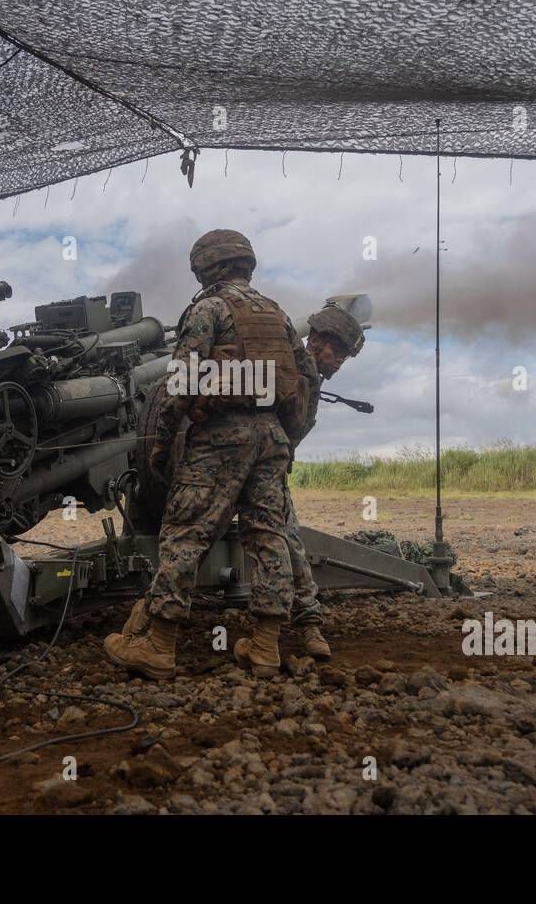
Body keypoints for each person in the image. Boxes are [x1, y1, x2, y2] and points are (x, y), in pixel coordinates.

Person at [104, 229, 307, 680]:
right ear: (246, 265)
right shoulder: (278, 314)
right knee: (268, 535)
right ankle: (266, 649)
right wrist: (283, 436)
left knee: (184, 531)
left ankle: (159, 646)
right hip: (271, 435)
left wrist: (161, 440)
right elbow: (302, 379)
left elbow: (181, 381)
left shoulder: (209, 309)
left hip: (222, 435)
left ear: (208, 269)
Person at [285, 304, 366, 660]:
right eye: (340, 355)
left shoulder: (296, 370)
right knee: (286, 542)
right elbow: (294, 431)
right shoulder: (297, 373)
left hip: (257, 468)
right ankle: (307, 629)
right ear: (318, 341)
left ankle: (305, 628)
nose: (338, 364)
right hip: (258, 469)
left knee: (286, 541)